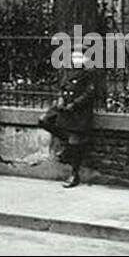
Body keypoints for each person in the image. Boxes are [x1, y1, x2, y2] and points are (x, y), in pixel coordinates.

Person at [39, 48, 98, 188]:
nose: (76, 59)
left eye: (79, 57)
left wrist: (74, 104)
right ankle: (66, 141)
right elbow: (62, 87)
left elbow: (90, 93)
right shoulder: (67, 70)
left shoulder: (89, 72)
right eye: (74, 56)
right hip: (65, 108)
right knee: (44, 120)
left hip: (79, 112)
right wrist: (60, 99)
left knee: (76, 141)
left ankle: (74, 174)